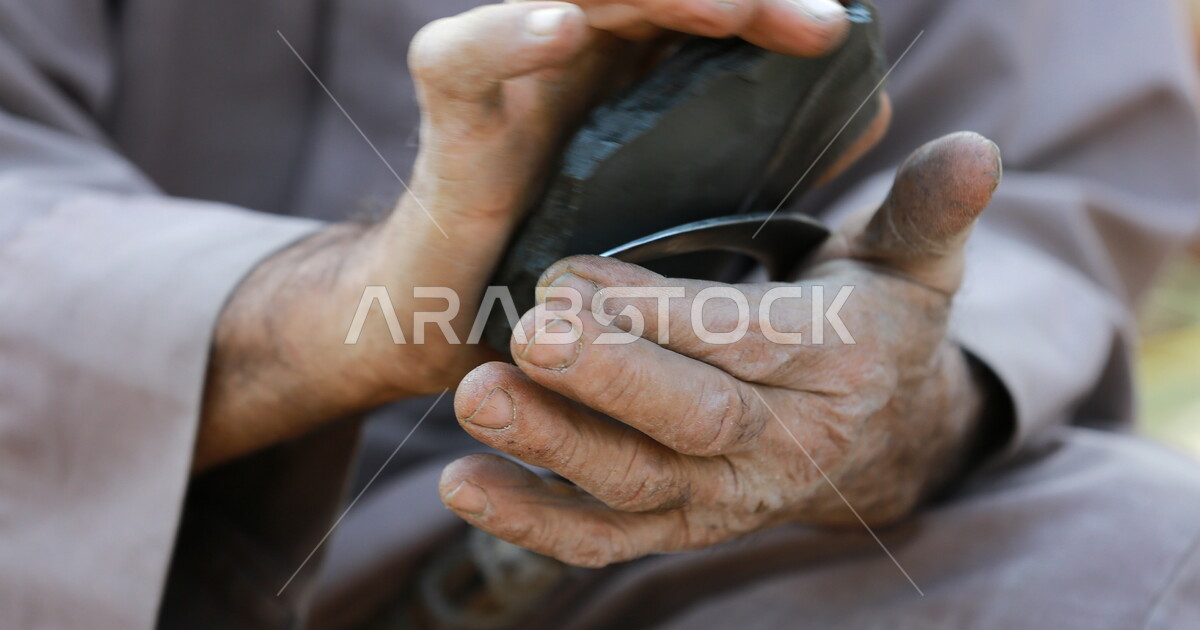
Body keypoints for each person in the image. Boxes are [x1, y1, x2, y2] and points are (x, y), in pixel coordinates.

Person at [2, 1, 1199, 629]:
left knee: (1151, 555)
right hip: (84, 555)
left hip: (695, 555)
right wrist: (343, 306)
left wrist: (906, 390)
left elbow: (1043, 186)